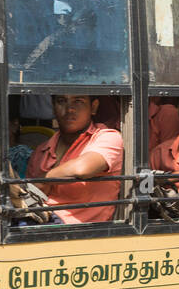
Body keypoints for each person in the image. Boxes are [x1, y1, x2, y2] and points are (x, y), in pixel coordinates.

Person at [27, 94, 124, 225]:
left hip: (82, 234)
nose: (69, 109)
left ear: (93, 107)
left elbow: (82, 169)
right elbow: (28, 198)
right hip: (39, 225)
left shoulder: (108, 138)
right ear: (53, 106)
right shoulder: (41, 150)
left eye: (78, 101)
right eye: (61, 101)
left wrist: (44, 180)